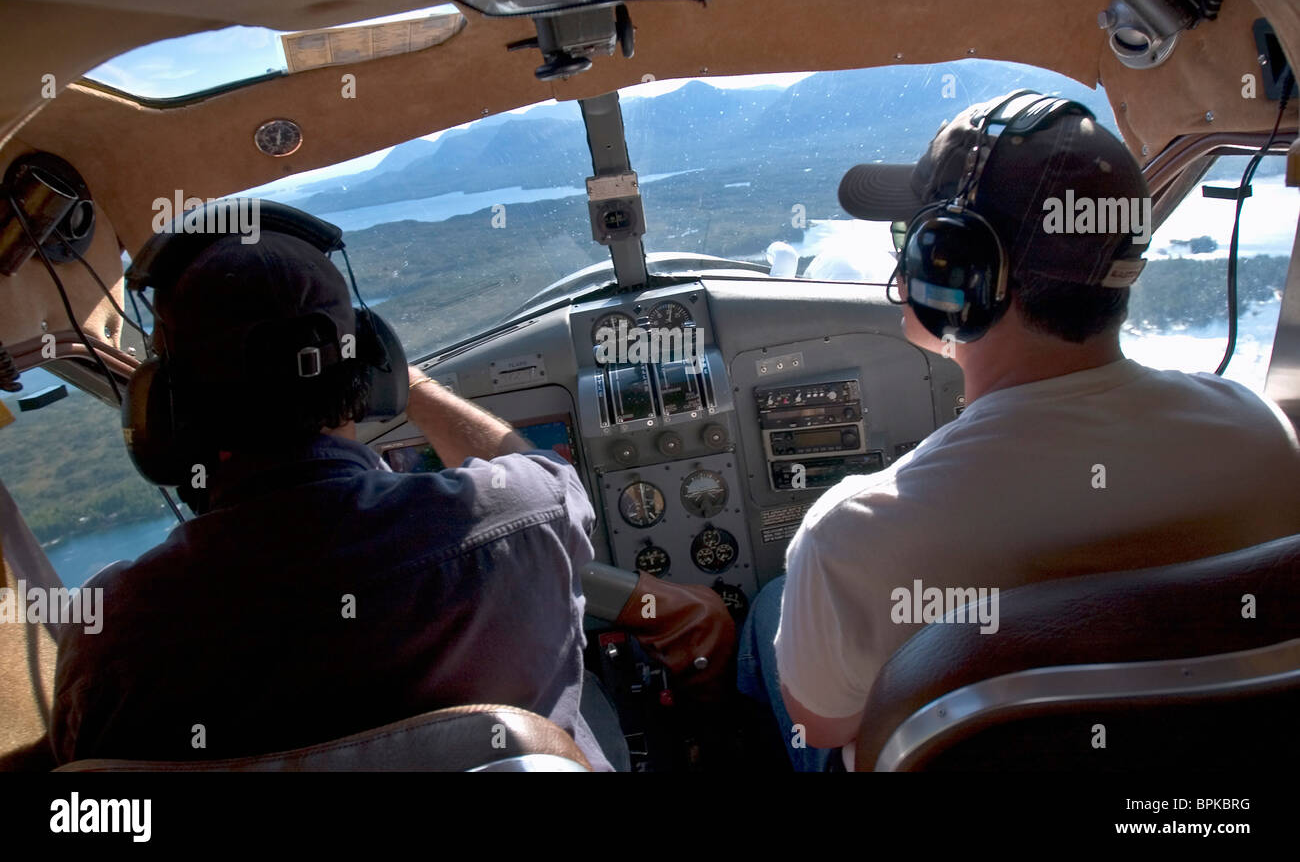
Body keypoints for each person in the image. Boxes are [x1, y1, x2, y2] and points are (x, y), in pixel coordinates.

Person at [738, 90, 1300, 771]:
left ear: (954, 271)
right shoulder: (1265, 437)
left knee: (767, 614)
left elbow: (822, 725)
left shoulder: (853, 533)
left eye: (912, 240)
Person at [52, 227, 612, 771]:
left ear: (166, 412)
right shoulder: (526, 516)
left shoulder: (109, 630)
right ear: (374, 370)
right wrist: (414, 388)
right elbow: (554, 487)